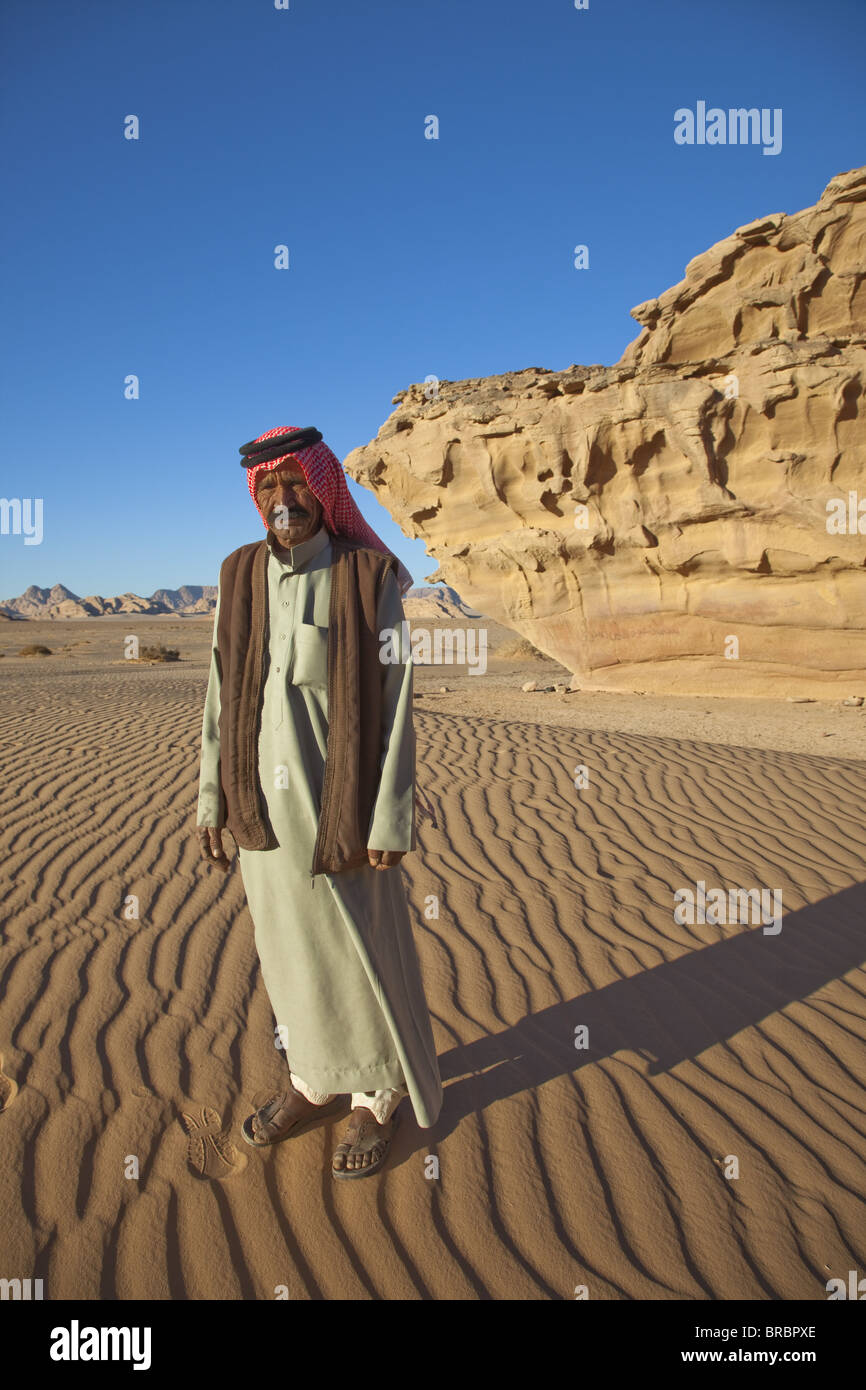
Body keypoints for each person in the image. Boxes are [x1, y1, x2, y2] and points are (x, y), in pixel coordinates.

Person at [195, 425, 442, 1179]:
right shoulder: (238, 576)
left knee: (362, 952)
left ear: (323, 490)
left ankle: (377, 1090)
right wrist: (212, 800)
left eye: (295, 484)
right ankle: (314, 1078)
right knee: (289, 953)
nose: (282, 500)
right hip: (259, 810)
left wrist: (391, 816)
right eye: (267, 488)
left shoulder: (367, 578)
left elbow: (397, 703)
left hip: (345, 810)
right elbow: (217, 692)